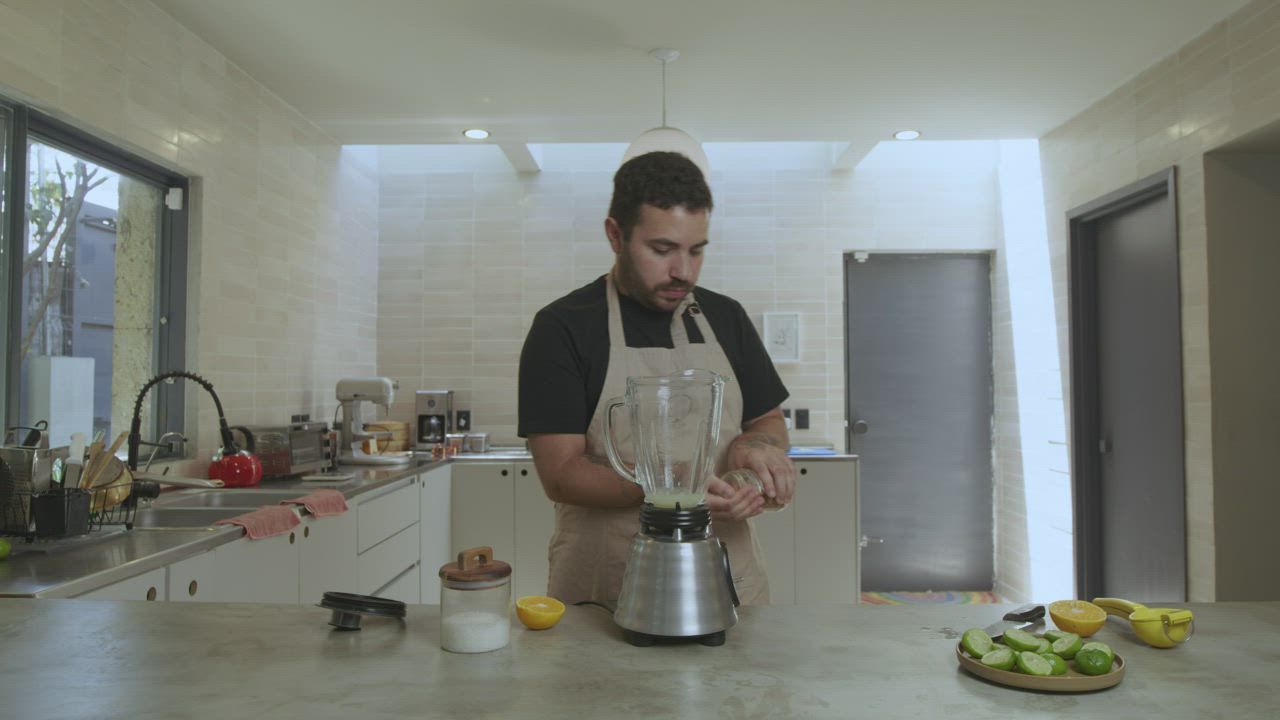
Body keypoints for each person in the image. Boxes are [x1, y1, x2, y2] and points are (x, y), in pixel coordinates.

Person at [517, 151, 796, 607]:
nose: (682, 272)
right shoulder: (564, 328)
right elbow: (561, 475)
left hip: (728, 581)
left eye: (696, 251)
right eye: (662, 250)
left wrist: (754, 449)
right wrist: (672, 488)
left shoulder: (726, 317)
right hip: (609, 585)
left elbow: (768, 420)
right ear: (615, 235)